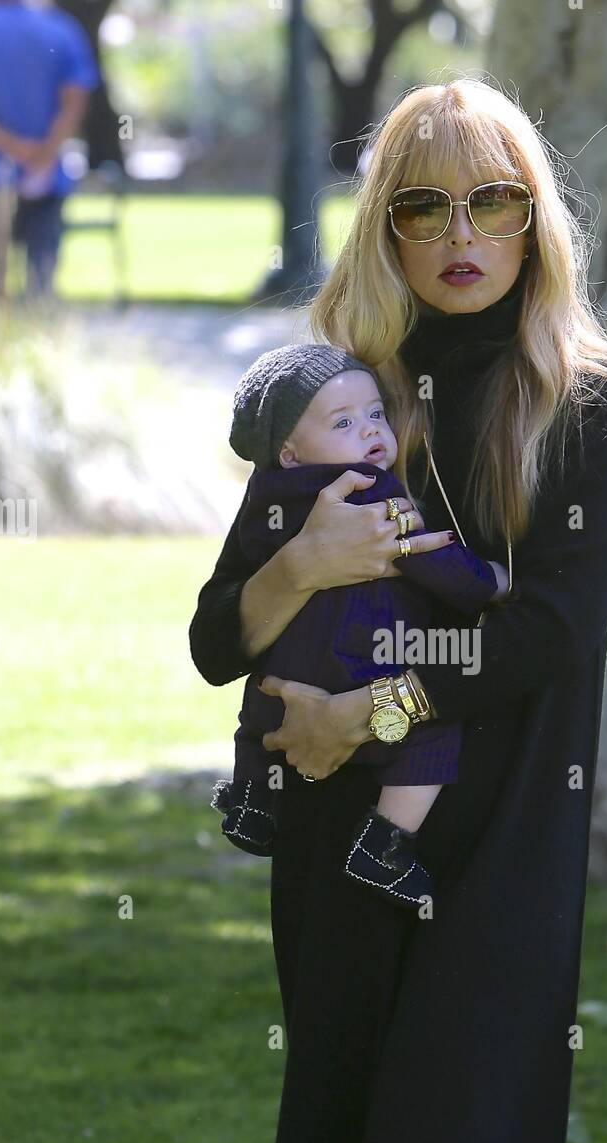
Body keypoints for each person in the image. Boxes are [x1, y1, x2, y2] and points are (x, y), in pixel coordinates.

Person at [188, 77, 607, 1143]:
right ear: (383, 228)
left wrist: (372, 712)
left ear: (533, 221)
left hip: (499, 834)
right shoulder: (339, 394)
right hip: (337, 828)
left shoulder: (586, 401)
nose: (459, 238)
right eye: (424, 207)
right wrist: (301, 562)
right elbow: (217, 639)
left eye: (491, 204)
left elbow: (544, 636)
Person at [212, 341, 510, 910]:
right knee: (431, 738)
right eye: (344, 422)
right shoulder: (371, 492)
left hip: (286, 669)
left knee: (261, 723)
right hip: (362, 663)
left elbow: (240, 584)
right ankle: (385, 843)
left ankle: (251, 802)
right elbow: (430, 559)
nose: (371, 431)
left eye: (376, 414)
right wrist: (490, 582)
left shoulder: (264, 497)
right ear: (291, 452)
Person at [0, 0, 100, 299]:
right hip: (48, 173)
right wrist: (45, 152)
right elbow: (75, 99)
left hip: (0, 166)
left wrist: (13, 147)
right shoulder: (60, 29)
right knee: (40, 277)